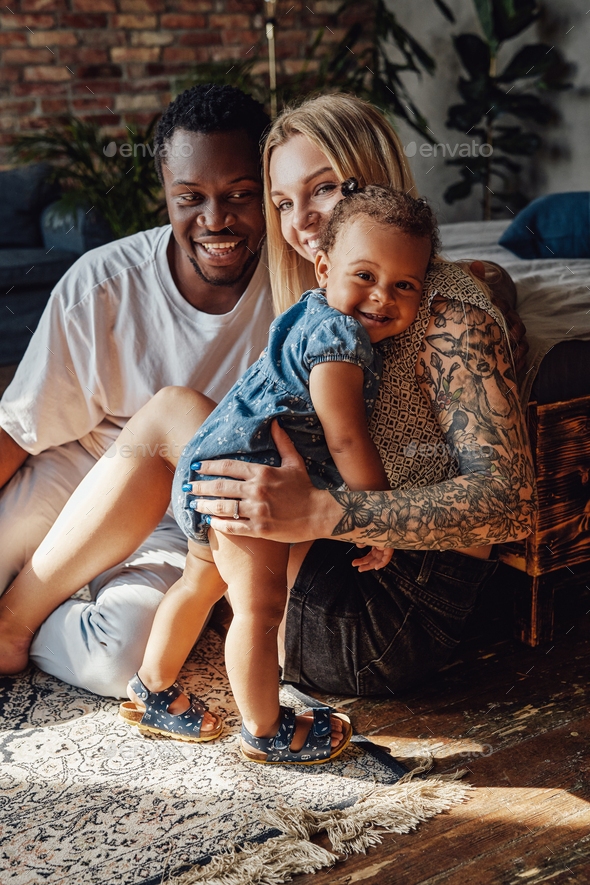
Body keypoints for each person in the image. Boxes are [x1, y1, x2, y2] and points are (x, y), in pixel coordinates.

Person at [0, 92, 535, 708]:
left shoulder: (446, 314)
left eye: (324, 189)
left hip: (380, 619)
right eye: (282, 202)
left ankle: (16, 627)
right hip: (345, 574)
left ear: (377, 178)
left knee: (176, 415)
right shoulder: (338, 298)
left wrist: (328, 513)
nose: (301, 221)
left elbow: (510, 505)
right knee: (196, 444)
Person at [119, 185, 439, 762]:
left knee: (200, 584)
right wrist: (378, 517)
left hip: (211, 466)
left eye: (404, 286)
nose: (381, 297)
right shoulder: (340, 339)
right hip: (247, 478)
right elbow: (346, 437)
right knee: (260, 608)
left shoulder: (309, 312)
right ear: (324, 268)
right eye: (365, 275)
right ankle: (264, 730)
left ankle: (151, 691)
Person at [0, 85, 274, 694]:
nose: (215, 220)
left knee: (116, 659)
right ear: (165, 193)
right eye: (190, 197)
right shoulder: (101, 284)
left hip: (180, 511)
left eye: (239, 194)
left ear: (268, 190)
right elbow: (18, 430)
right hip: (80, 469)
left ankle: (22, 620)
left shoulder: (300, 291)